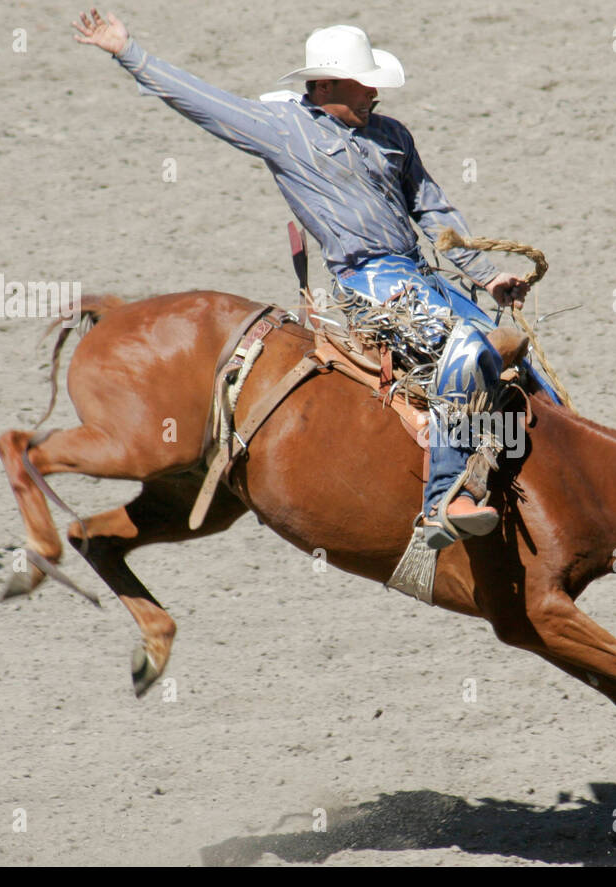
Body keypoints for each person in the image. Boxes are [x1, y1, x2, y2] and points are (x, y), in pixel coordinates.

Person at [73, 10, 529, 548]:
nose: (373, 96)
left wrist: (487, 275)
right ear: (326, 85)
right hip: (374, 283)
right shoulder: (285, 130)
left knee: (516, 354)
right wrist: (128, 52)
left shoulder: (392, 135)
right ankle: (444, 500)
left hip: (424, 275)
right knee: (465, 351)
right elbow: (201, 101)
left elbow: (432, 209)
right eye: (363, 86)